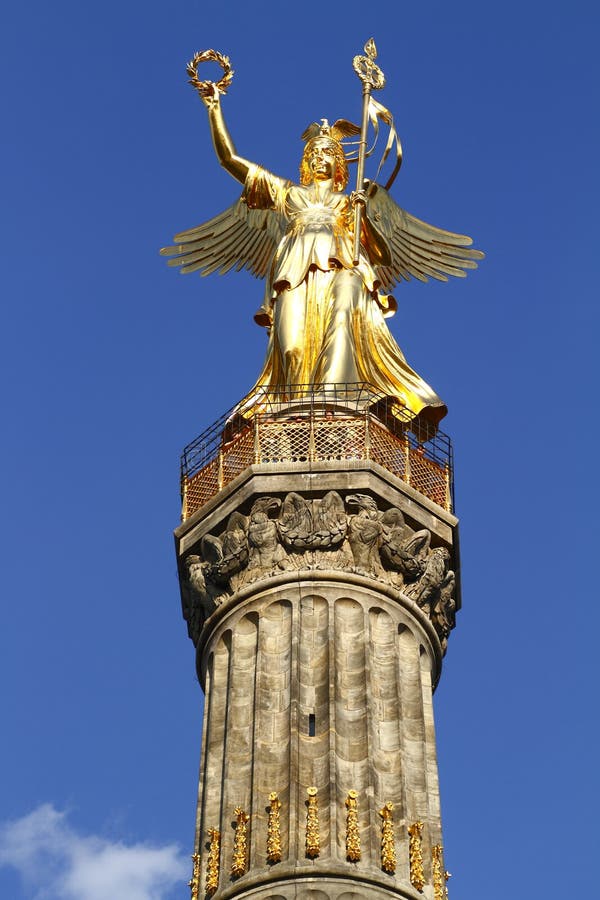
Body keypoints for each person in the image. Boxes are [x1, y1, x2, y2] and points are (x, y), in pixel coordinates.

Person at [163, 87, 482, 435]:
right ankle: (292, 426)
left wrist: (366, 216)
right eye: (313, 152)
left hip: (344, 270)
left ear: (339, 163)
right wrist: (214, 108)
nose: (319, 157)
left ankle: (336, 410)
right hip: (294, 275)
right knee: (293, 348)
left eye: (327, 151)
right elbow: (230, 160)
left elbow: (382, 255)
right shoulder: (286, 195)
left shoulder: (350, 205)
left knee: (344, 323)